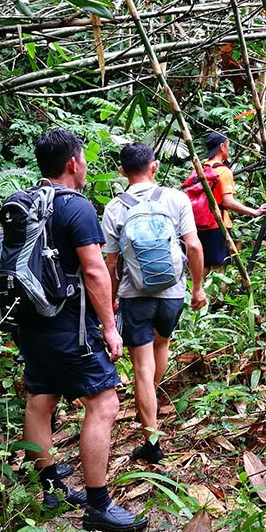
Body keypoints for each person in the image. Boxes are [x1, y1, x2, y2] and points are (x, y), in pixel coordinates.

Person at [15, 129, 147, 532]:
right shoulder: (77, 208)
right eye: (84, 158)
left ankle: (52, 489)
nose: (86, 165)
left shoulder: (22, 202)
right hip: (70, 326)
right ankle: (98, 505)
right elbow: (94, 270)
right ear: (73, 163)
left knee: (40, 399)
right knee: (104, 405)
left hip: (27, 322)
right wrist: (110, 328)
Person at [101, 142, 207, 465]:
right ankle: (150, 403)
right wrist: (198, 289)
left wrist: (111, 300)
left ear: (122, 172)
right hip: (173, 294)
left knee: (141, 368)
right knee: (162, 345)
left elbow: (110, 264)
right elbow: (194, 247)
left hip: (135, 297)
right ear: (155, 166)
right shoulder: (176, 199)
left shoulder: (115, 209)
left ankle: (152, 440)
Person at [198, 132, 266, 269]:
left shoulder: (200, 168)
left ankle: (197, 290)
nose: (229, 149)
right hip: (217, 224)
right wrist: (254, 212)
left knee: (203, 265)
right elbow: (228, 202)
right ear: (222, 146)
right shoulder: (223, 171)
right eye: (228, 145)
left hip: (199, 223)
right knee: (218, 268)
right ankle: (217, 292)